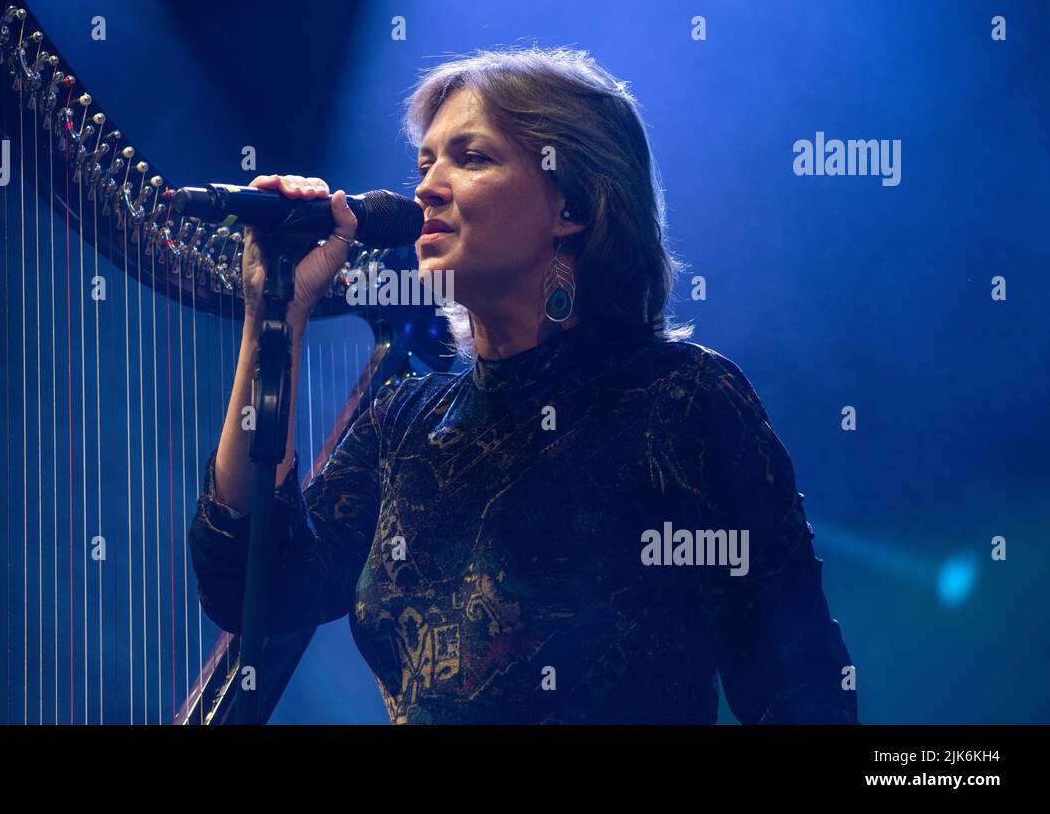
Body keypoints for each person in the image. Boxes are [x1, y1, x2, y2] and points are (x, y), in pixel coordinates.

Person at [187, 44, 858, 724]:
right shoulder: (404, 422)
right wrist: (272, 314)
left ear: (572, 205)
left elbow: (801, 687)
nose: (427, 188)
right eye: (425, 163)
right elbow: (253, 584)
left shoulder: (683, 399)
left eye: (471, 158)